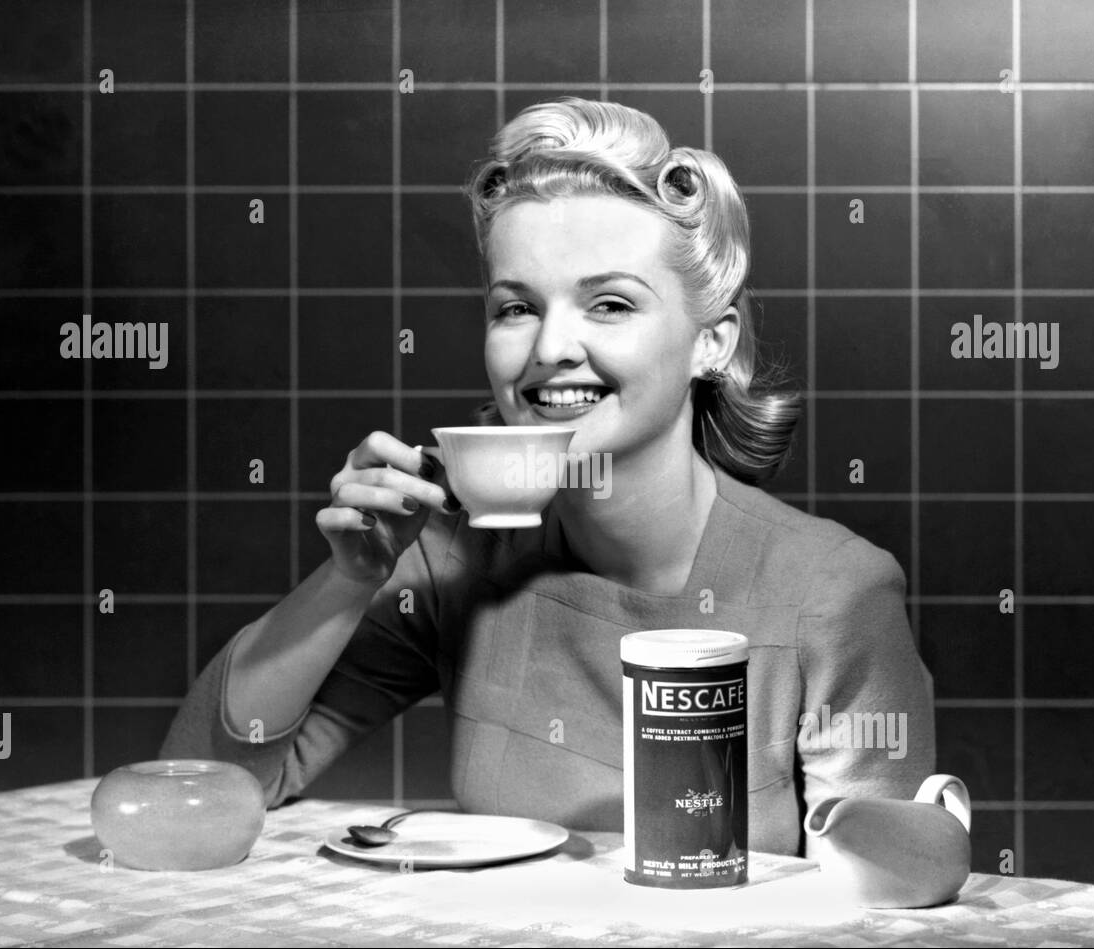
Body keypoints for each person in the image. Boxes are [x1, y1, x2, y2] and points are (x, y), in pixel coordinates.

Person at [160, 97, 935, 858]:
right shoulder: (452, 559)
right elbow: (199, 793)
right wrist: (346, 581)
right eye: (516, 308)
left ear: (712, 343)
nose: (552, 346)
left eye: (608, 304)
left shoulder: (833, 594)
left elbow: (877, 913)